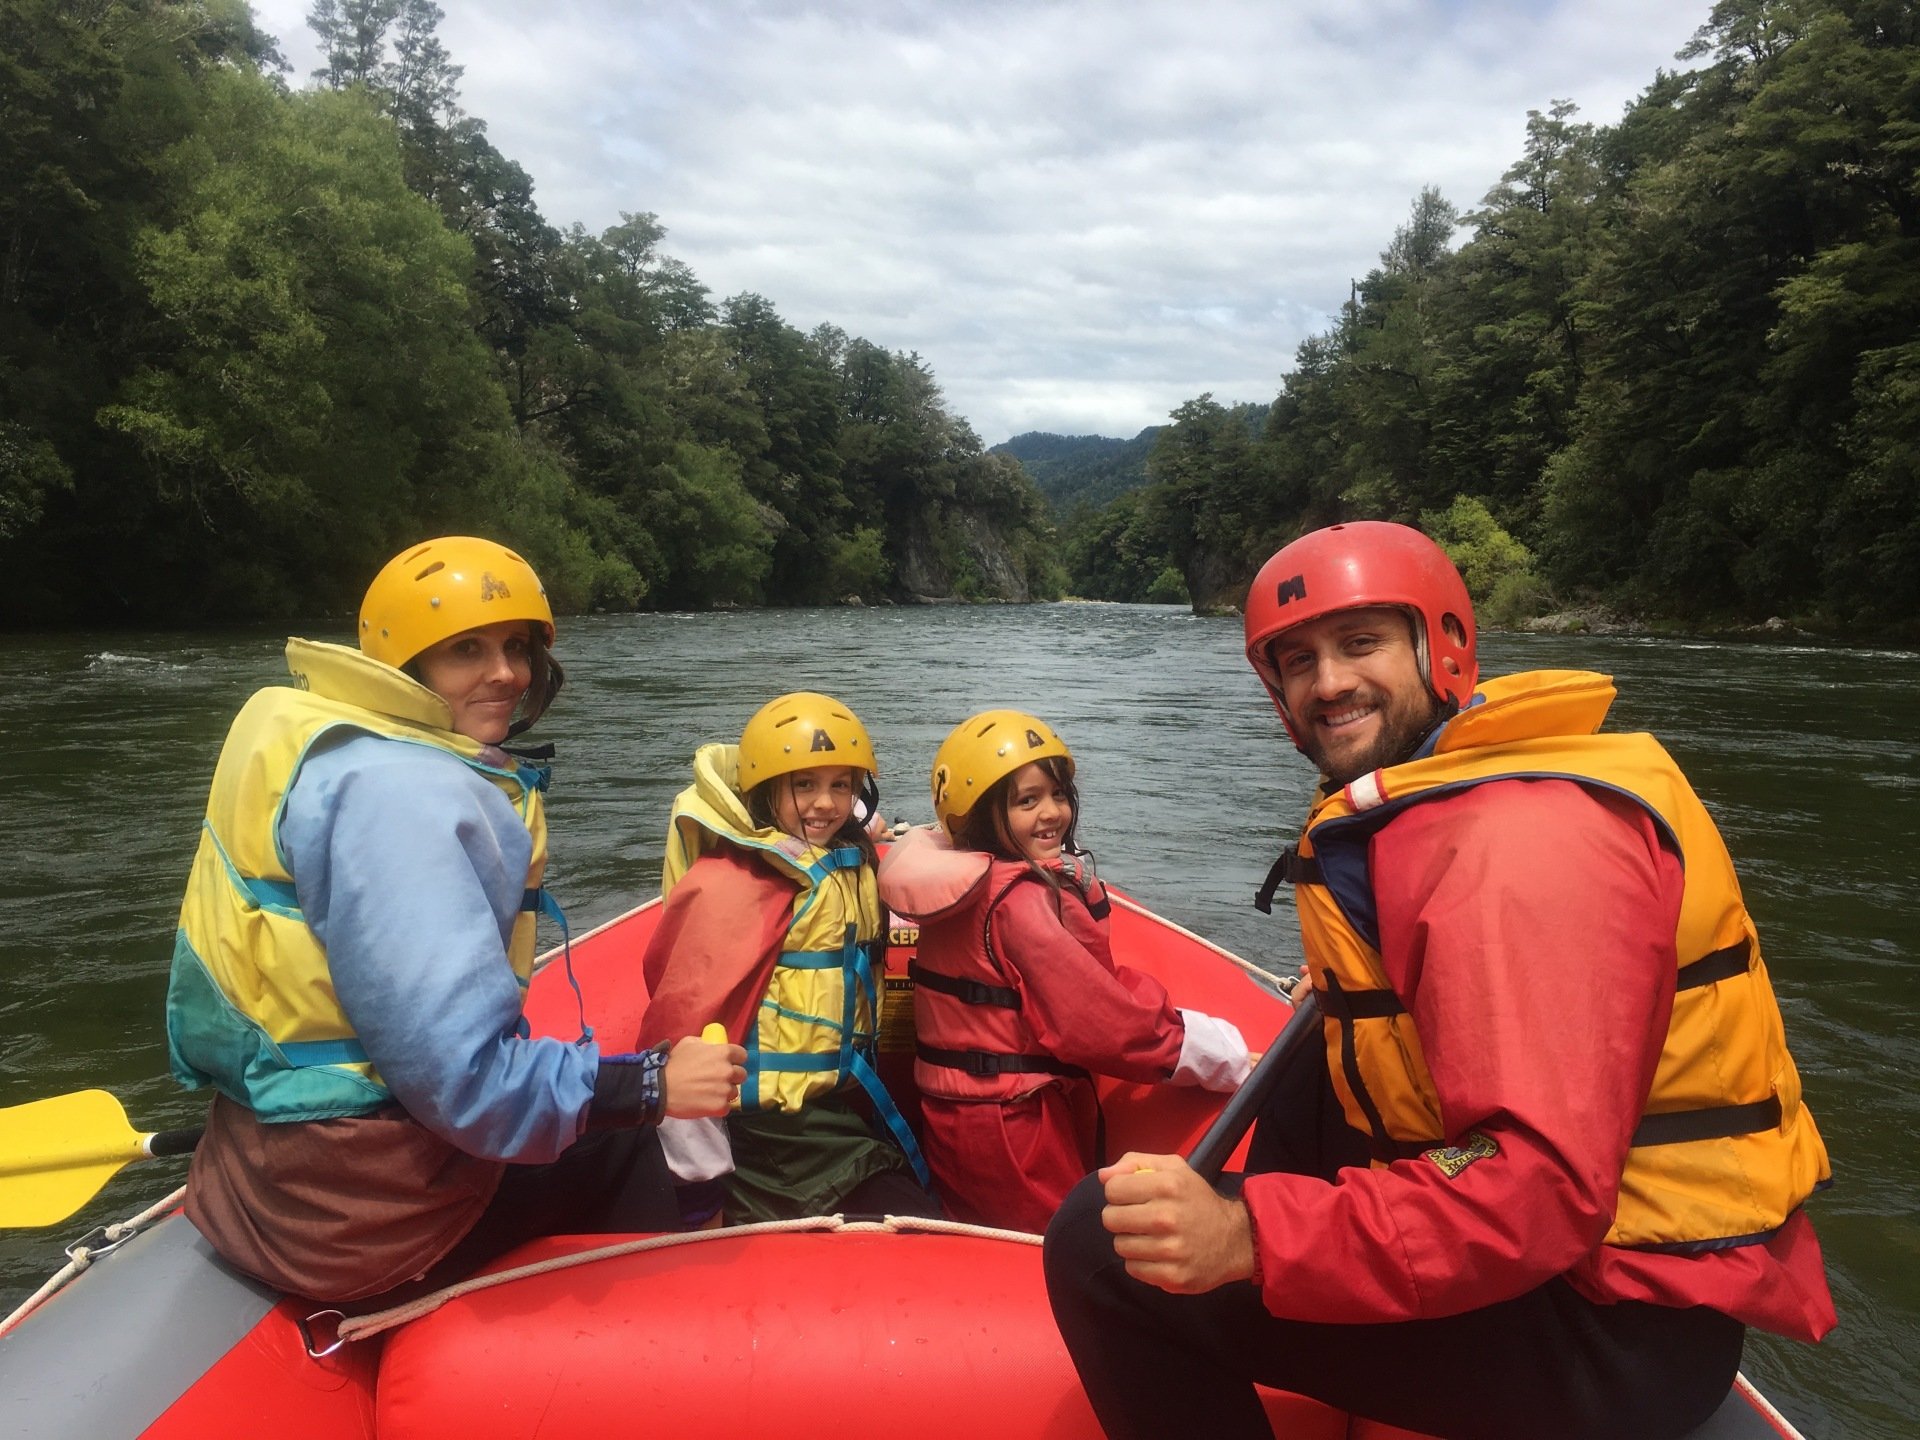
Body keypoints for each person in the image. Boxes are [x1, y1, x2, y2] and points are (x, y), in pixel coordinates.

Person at [1043, 521, 1836, 1440]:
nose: (1328, 682)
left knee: (1096, 1247)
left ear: (1441, 649)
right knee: (1315, 1056)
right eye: (1297, 660)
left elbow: (1535, 1183)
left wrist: (1249, 1235)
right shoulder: (1467, 783)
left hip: (1611, 1333)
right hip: (1590, 1277)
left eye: (1361, 644)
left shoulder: (1514, 850)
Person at [166, 535, 743, 1306]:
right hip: (368, 1218)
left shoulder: (337, 752)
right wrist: (648, 1086)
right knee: (651, 1145)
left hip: (264, 1182)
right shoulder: (401, 798)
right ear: (407, 667)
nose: (505, 673)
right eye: (466, 649)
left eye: (516, 647)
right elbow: (465, 1087)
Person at [877, 710, 1252, 1233]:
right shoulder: (1016, 902)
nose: (1052, 813)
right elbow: (1099, 1020)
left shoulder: (968, 885)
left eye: (1058, 794)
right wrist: (1215, 1053)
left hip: (959, 1114)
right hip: (1013, 1126)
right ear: (982, 814)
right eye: (1026, 801)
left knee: (984, 1238)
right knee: (1046, 1249)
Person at [637, 691, 938, 1224]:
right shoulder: (740, 883)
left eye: (840, 786)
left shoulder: (842, 859)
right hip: (771, 1125)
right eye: (805, 785)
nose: (824, 803)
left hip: (831, 1106)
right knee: (906, 1215)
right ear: (766, 790)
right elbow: (681, 1022)